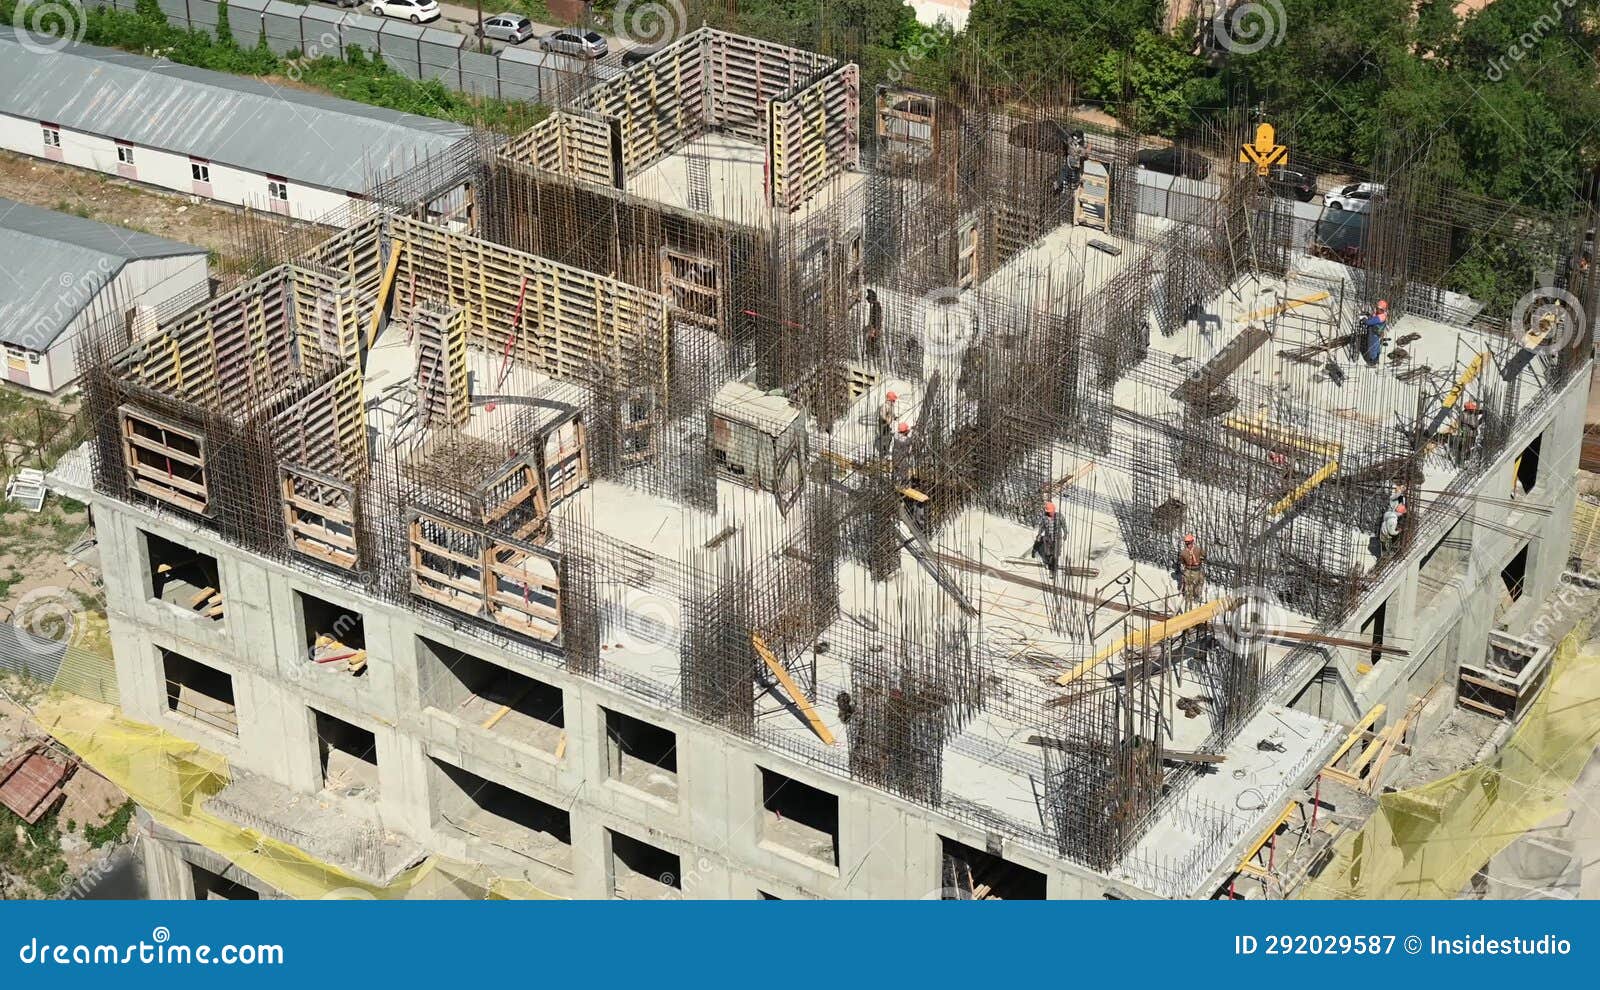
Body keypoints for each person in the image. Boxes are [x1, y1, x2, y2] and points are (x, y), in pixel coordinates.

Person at [1032, 501, 1065, 578]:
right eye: (1048, 512)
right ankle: (1049, 564)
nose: (1050, 513)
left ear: (1053, 510)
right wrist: (1039, 534)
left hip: (1057, 538)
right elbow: (1042, 527)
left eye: (1050, 512)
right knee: (1048, 553)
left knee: (1055, 554)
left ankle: (1052, 570)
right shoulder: (1045, 518)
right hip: (1048, 538)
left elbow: (1064, 525)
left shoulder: (1060, 516)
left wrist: (1065, 533)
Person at [1178, 533, 1205, 604]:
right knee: (1189, 585)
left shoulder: (1198, 550)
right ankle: (1189, 598)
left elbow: (1204, 556)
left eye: (1189, 543)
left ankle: (1196, 597)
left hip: (1196, 569)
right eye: (1187, 544)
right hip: (1189, 570)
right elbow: (1182, 561)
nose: (1188, 545)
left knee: (1197, 584)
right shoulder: (1183, 553)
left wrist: (1201, 559)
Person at [876, 391, 898, 456]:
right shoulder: (885, 406)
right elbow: (882, 415)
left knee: (888, 436)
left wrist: (894, 417)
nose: (894, 401)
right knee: (884, 437)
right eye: (893, 399)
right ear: (890, 399)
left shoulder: (891, 405)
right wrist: (887, 419)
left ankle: (886, 448)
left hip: (887, 423)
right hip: (883, 423)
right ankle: (883, 451)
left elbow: (891, 413)